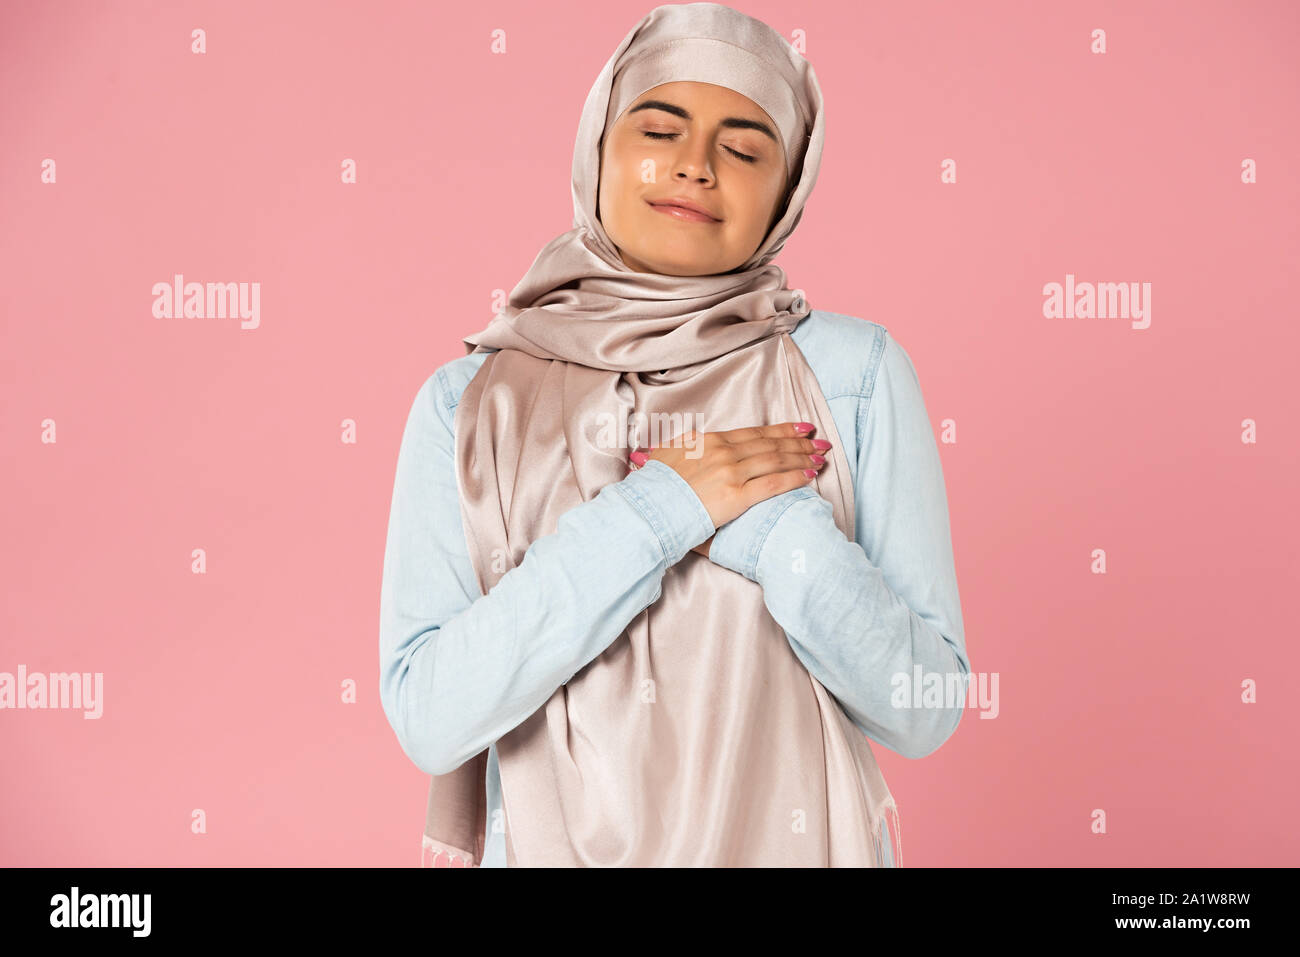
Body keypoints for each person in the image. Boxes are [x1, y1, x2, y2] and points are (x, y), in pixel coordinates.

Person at [379, 2, 970, 867]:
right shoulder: (473, 403)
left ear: (786, 189)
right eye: (660, 128)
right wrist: (666, 507)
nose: (695, 167)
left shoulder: (856, 374)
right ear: (599, 148)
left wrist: (773, 530)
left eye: (743, 148)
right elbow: (432, 717)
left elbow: (924, 708)